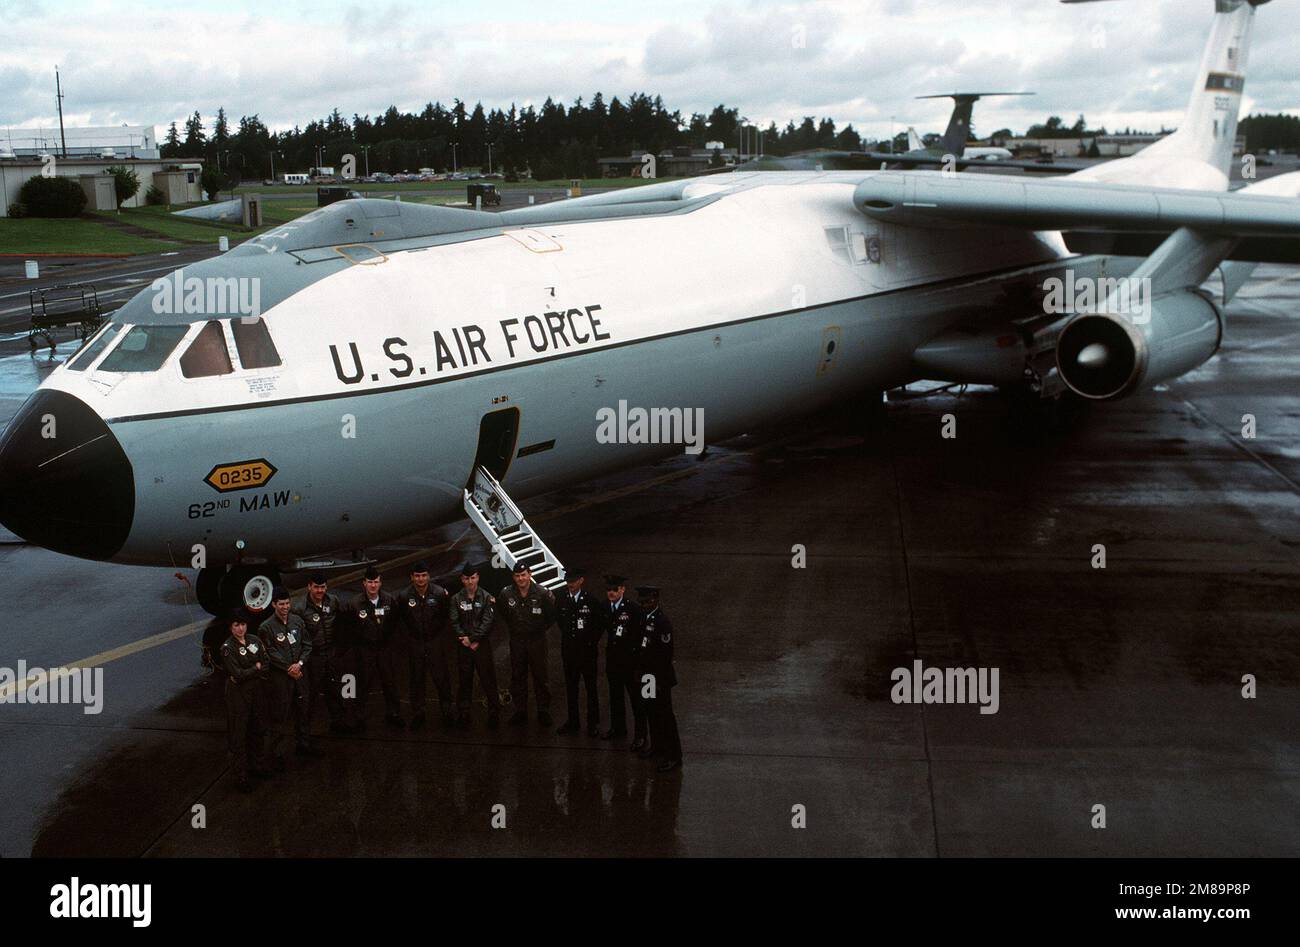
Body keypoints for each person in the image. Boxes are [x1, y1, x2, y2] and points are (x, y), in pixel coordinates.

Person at [260, 586, 320, 766]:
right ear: (273, 605)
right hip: (282, 678)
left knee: (303, 709)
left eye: (287, 603)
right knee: (280, 714)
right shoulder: (266, 627)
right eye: (281, 604)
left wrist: (299, 664)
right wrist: (289, 668)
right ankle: (276, 754)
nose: (285, 607)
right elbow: (269, 652)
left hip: (300, 673)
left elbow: (307, 645)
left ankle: (304, 744)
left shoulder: (297, 621)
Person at [393, 561, 454, 729]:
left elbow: (444, 617)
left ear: (429, 576)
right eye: (417, 576)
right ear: (412, 577)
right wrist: (411, 638)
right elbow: (402, 620)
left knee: (441, 677)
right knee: (416, 678)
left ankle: (447, 710)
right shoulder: (404, 596)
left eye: (424, 575)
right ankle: (418, 712)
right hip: (416, 642)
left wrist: (436, 636)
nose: (420, 579)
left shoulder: (439, 593)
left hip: (434, 641)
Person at [495, 562, 557, 727]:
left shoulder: (543, 594)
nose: (520, 578)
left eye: (523, 574)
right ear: (513, 577)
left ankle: (543, 710)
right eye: (517, 575)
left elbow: (551, 616)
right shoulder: (506, 594)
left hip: (537, 640)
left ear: (530, 574)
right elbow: (504, 613)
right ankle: (520, 710)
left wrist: (538, 629)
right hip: (517, 641)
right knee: (518, 676)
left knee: (540, 676)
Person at [340, 566, 401, 731]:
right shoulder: (354, 604)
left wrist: (389, 644)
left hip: (383, 648)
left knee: (389, 682)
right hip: (365, 650)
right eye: (369, 582)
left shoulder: (389, 600)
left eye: (376, 582)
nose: (373, 585)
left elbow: (395, 624)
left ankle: (393, 713)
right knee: (363, 684)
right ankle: (358, 717)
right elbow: (349, 629)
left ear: (380, 583)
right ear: (364, 584)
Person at [219, 609, 272, 792]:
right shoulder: (227, 648)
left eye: (242, 624)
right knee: (238, 734)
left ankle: (257, 765)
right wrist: (255, 669)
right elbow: (237, 674)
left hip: (256, 692)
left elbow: (266, 664)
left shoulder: (254, 640)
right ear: (230, 627)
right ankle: (240, 776)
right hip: (238, 695)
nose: (240, 629)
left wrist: (253, 670)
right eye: (236, 625)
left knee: (257, 728)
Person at [292, 572, 347, 734]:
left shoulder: (333, 601)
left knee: (335, 689)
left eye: (322, 587)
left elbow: (340, 621)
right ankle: (305, 731)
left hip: (330, 652)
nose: (319, 591)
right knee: (310, 694)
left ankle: (338, 722)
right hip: (312, 657)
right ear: (309, 586)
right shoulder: (299, 607)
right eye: (316, 587)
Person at [636, 586, 681, 771]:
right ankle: (657, 747)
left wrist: (660, 680)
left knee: (665, 716)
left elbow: (665, 655)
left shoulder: (662, 622)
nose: (645, 605)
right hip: (647, 676)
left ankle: (674, 755)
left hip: (659, 677)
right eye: (642, 602)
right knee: (651, 712)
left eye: (648, 602)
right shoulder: (643, 617)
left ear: (655, 601)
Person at [449, 562, 500, 729]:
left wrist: (474, 639)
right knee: (464, 681)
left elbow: (488, 622)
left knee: (488, 679)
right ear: (462, 580)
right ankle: (464, 712)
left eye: (472, 578)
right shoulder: (456, 599)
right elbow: (454, 621)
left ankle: (494, 712)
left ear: (477, 578)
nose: (470, 582)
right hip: (463, 645)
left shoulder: (486, 597)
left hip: (481, 645)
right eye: (466, 579)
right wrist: (464, 638)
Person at [599, 574, 644, 747]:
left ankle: (640, 735)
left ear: (622, 590)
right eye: (608, 590)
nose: (610, 593)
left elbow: (639, 636)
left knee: (636, 699)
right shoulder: (605, 606)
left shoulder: (632, 609)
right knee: (615, 696)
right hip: (613, 660)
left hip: (630, 661)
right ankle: (618, 728)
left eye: (614, 589)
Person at [555, 567, 600, 736]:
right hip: (569, 650)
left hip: (587, 651)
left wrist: (589, 641)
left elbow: (598, 624)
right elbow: (559, 619)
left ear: (581, 581)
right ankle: (573, 721)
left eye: (573, 581)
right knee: (571, 688)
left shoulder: (590, 601)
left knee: (591, 688)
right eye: (568, 581)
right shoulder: (561, 598)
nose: (570, 585)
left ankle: (593, 723)